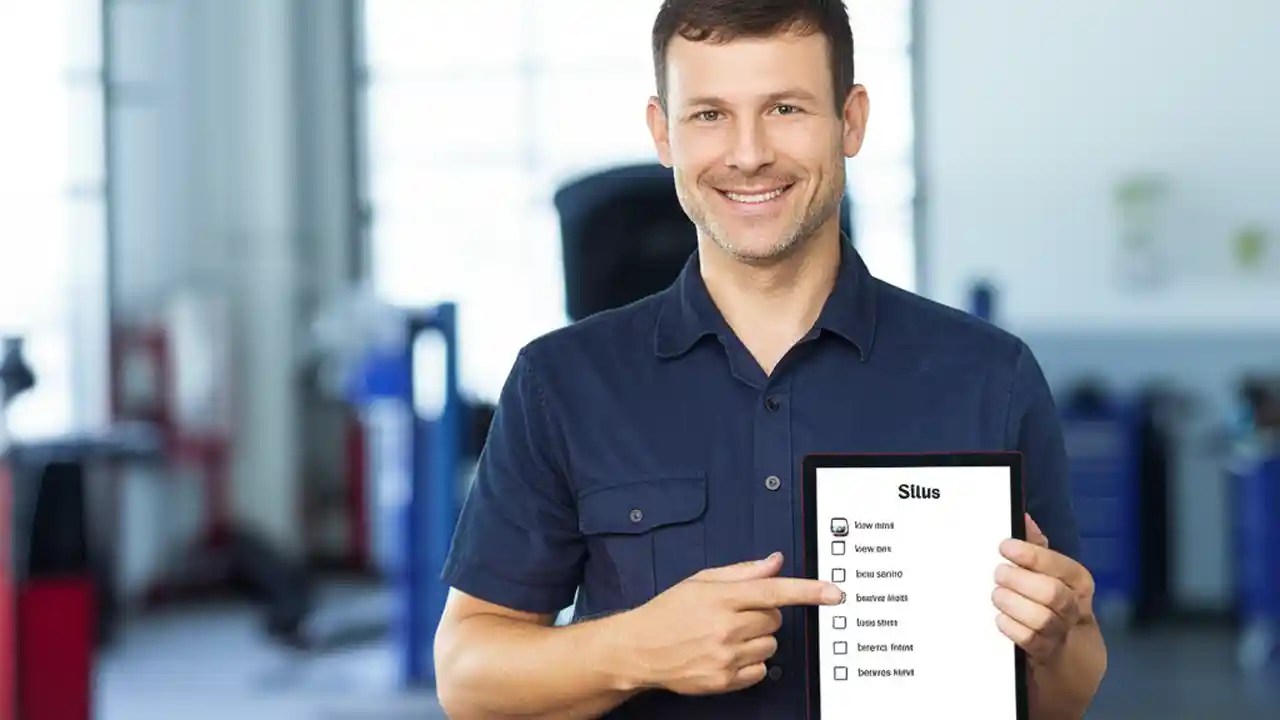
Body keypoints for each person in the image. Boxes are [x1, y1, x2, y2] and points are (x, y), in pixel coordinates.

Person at [433, 1, 1107, 718]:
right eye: (709, 115)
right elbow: (469, 678)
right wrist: (634, 649)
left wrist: (1058, 639)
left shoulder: (988, 377)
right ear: (663, 132)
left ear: (851, 120)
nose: (748, 153)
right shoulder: (561, 383)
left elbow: (1069, 685)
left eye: (785, 108)